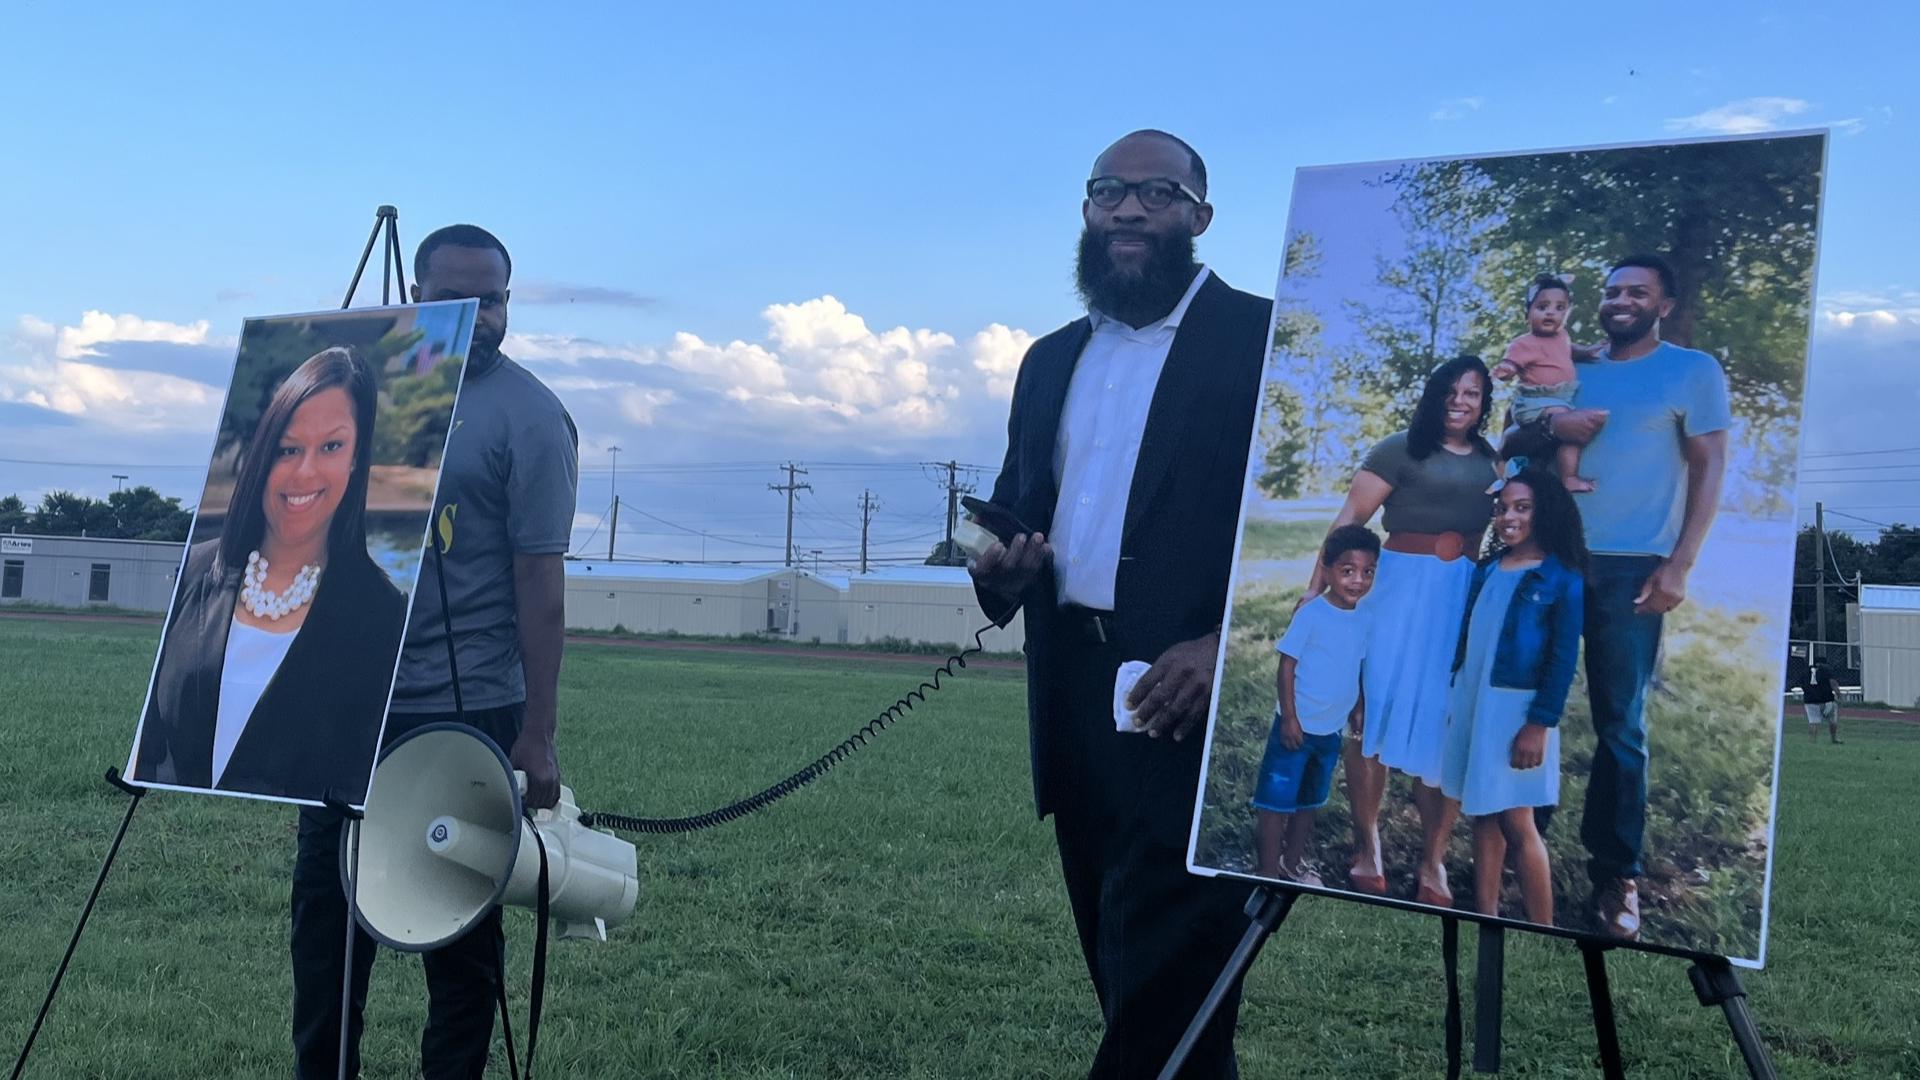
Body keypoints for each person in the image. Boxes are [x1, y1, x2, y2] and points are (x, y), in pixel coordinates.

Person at [969, 129, 1269, 1078]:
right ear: (1087, 210)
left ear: (1200, 216)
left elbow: (1321, 524)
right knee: (1137, 981)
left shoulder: (1266, 341)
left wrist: (1229, 645)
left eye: (1156, 193)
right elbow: (1018, 505)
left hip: (1195, 705)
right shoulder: (1048, 359)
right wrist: (1001, 569)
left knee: (1168, 991)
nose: (1130, 209)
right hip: (1074, 703)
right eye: (1109, 191)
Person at [290, 224, 580, 1079]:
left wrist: (538, 732)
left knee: (462, 939)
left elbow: (541, 581)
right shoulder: (355, 390)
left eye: (493, 300)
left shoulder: (532, 417)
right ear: (415, 297)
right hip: (351, 704)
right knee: (326, 926)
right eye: (454, 298)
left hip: (470, 706)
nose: (478, 316)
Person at [1546, 253, 1730, 942]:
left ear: (1664, 306)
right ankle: (1516, 838)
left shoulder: (1693, 370)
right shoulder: (1569, 365)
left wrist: (1680, 563)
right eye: (1612, 290)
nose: (1621, 300)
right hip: (1550, 557)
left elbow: (1710, 465)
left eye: (1638, 292)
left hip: (1631, 568)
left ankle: (1616, 874)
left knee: (1621, 724)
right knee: (1523, 703)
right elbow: (1519, 430)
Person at [133, 347, 406, 803]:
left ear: (356, 458)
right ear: (263, 455)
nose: (305, 472)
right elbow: (151, 746)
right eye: (288, 449)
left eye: (332, 447)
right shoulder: (197, 570)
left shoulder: (381, 611)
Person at [1305, 356, 1498, 906]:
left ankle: (1433, 859)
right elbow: (1349, 521)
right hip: (1396, 593)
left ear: (1484, 402)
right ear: (1434, 395)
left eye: (1473, 393)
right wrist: (1314, 591)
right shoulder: (1399, 449)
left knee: (1444, 719)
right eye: (1451, 391)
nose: (1460, 401)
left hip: (1459, 598)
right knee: (1371, 711)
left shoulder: (1492, 460)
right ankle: (1367, 846)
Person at [1440, 465, 1586, 925]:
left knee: (1518, 821)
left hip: (1517, 711)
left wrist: (1539, 724)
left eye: (1523, 508)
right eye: (1502, 508)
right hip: (1476, 702)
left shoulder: (1561, 578)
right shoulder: (1488, 569)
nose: (1508, 517)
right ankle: (1486, 915)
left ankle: (1543, 927)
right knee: (1484, 811)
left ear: (1547, 513)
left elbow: (1562, 660)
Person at [1254, 525, 1377, 884]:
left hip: (1329, 732)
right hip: (1296, 729)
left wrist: (1358, 706)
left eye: (1368, 572)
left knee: (1309, 802)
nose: (1358, 581)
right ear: (1327, 569)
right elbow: (1287, 666)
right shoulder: (1311, 614)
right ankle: (1266, 871)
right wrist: (1289, 718)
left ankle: (1292, 864)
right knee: (1274, 802)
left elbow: (1356, 665)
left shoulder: (1364, 618)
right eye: (1348, 570)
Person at [1490, 273, 1607, 492]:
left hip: (1558, 399)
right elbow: (1511, 363)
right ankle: (1569, 477)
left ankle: (1559, 473)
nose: (1551, 312)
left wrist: (1587, 352)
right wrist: (1505, 370)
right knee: (1571, 429)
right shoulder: (1524, 343)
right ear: (1527, 314)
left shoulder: (1562, 337)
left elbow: (1569, 351)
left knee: (1570, 434)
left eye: (1559, 308)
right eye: (1542, 307)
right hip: (1534, 401)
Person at [1802, 660, 1841, 744]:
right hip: (1826, 699)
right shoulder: (1826, 669)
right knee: (1832, 720)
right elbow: (1833, 683)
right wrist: (1838, 694)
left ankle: (1812, 741)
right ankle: (1834, 739)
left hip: (1810, 699)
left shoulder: (1806, 670)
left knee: (1813, 722)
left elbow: (1802, 683)